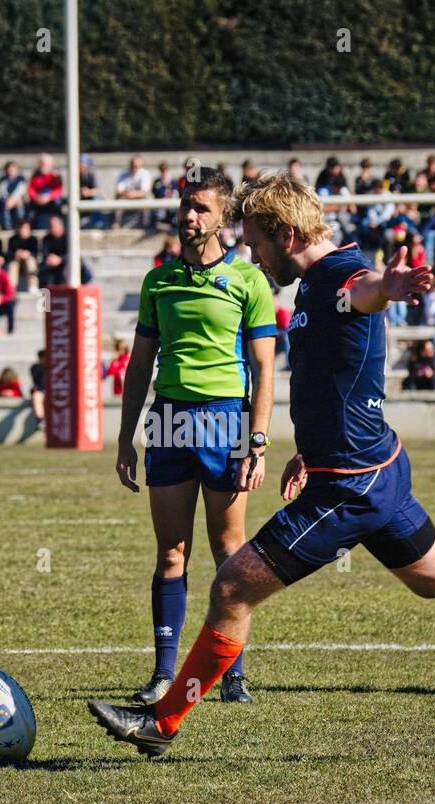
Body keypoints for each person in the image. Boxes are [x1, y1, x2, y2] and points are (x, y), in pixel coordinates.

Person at [88, 173, 435, 755]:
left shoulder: (337, 274)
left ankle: (162, 722)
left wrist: (390, 285)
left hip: (350, 484)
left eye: (254, 241)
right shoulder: (313, 280)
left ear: (286, 231)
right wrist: (309, 446)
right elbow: (338, 366)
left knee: (230, 587)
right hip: (373, 464)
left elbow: (363, 291)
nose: (249, 253)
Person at [113, 167, 278, 707]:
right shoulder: (158, 281)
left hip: (226, 422)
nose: (190, 215)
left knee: (231, 551)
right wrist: (125, 438)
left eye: (202, 207)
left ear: (223, 216)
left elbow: (264, 369)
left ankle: (232, 674)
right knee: (170, 553)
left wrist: (257, 442)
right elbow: (139, 365)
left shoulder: (249, 281)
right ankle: (164, 674)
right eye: (185, 205)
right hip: (166, 422)